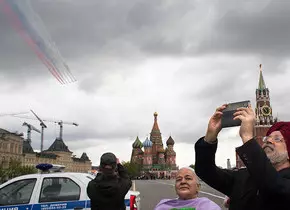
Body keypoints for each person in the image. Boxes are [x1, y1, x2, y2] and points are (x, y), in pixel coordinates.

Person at [195, 103, 290, 210]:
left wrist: (247, 138)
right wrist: (209, 138)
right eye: (267, 138)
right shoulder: (243, 178)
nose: (268, 140)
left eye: (277, 139)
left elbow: (275, 188)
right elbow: (205, 171)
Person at [154, 167, 221, 210]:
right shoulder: (163, 205)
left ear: (198, 187)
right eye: (178, 179)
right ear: (175, 187)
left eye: (188, 178)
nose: (182, 182)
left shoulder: (209, 207)